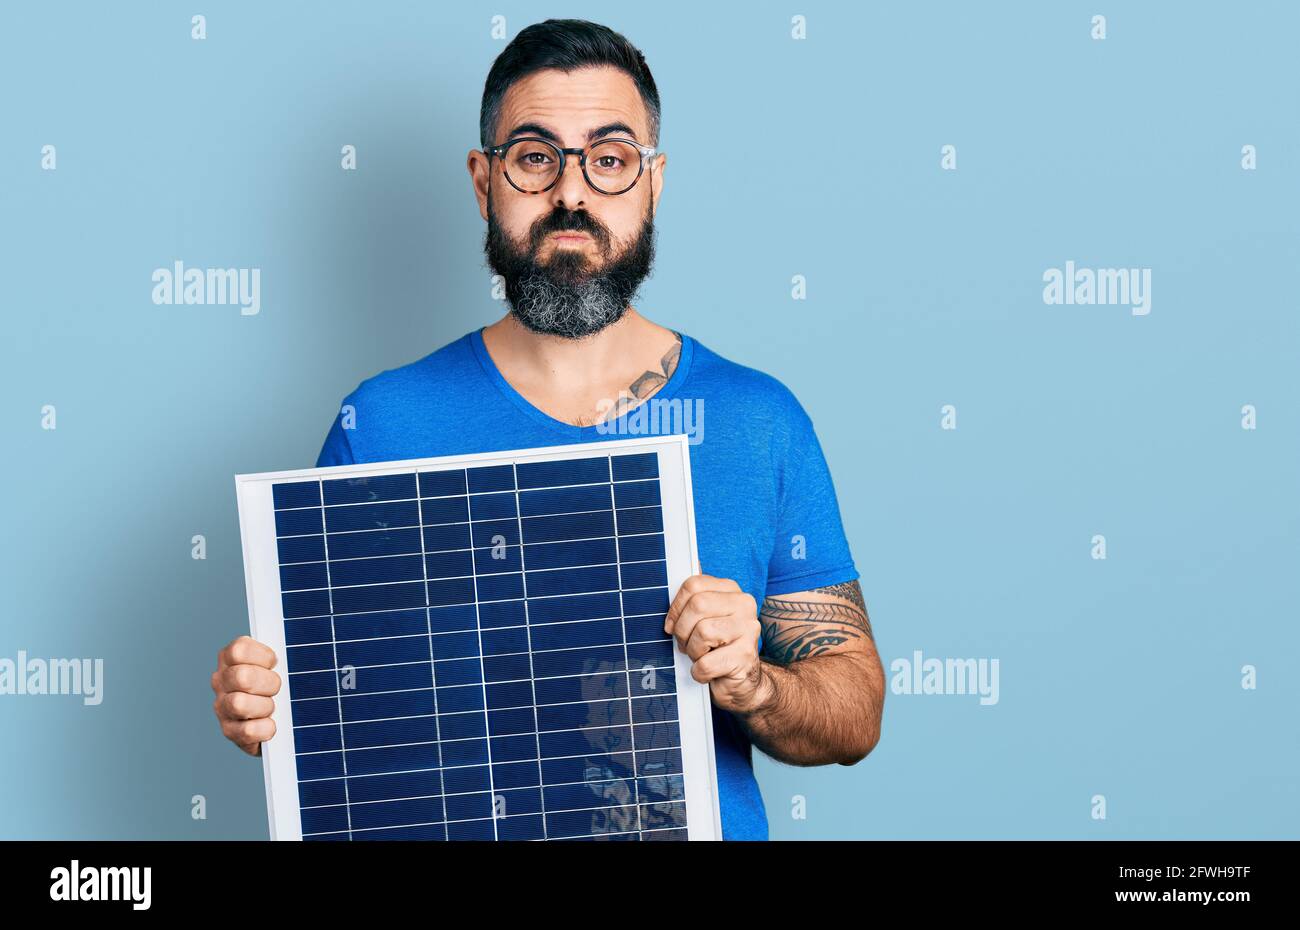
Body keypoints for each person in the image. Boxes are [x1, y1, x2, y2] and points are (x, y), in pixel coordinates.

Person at [212, 18, 884, 841]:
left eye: (610, 159)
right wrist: (263, 705)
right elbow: (337, 710)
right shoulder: (381, 424)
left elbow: (855, 711)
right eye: (536, 158)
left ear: (654, 181)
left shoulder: (756, 421)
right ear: (483, 180)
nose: (572, 194)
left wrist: (755, 685)